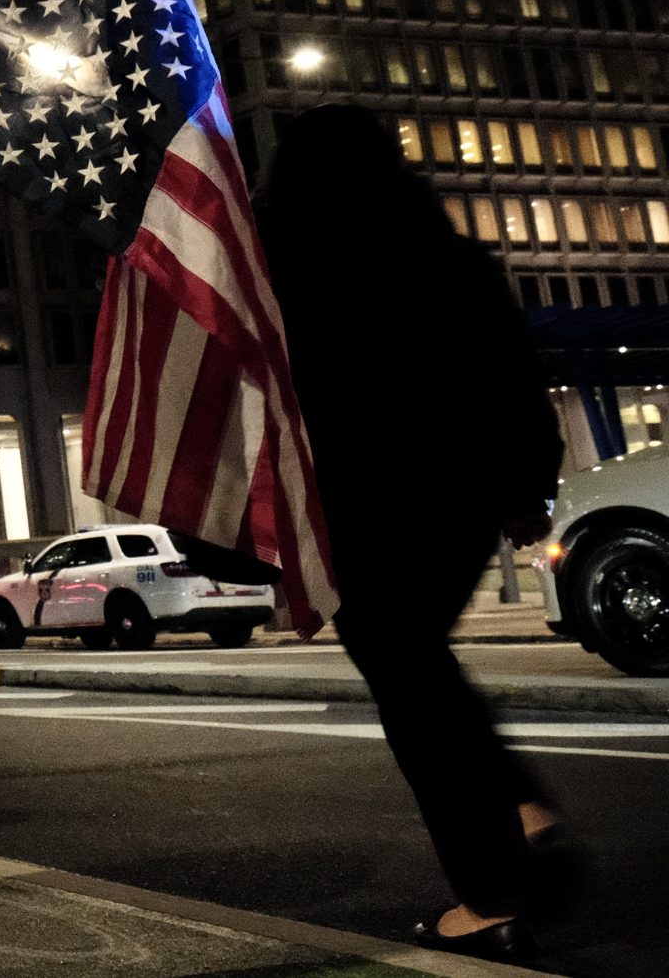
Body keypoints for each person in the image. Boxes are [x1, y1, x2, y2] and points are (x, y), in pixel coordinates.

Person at [256, 105, 568, 958]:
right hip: (460, 499)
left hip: (362, 502)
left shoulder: (292, 265)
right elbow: (515, 369)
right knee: (422, 667)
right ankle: (524, 818)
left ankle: (496, 889)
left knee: (413, 690)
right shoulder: (451, 258)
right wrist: (527, 484)